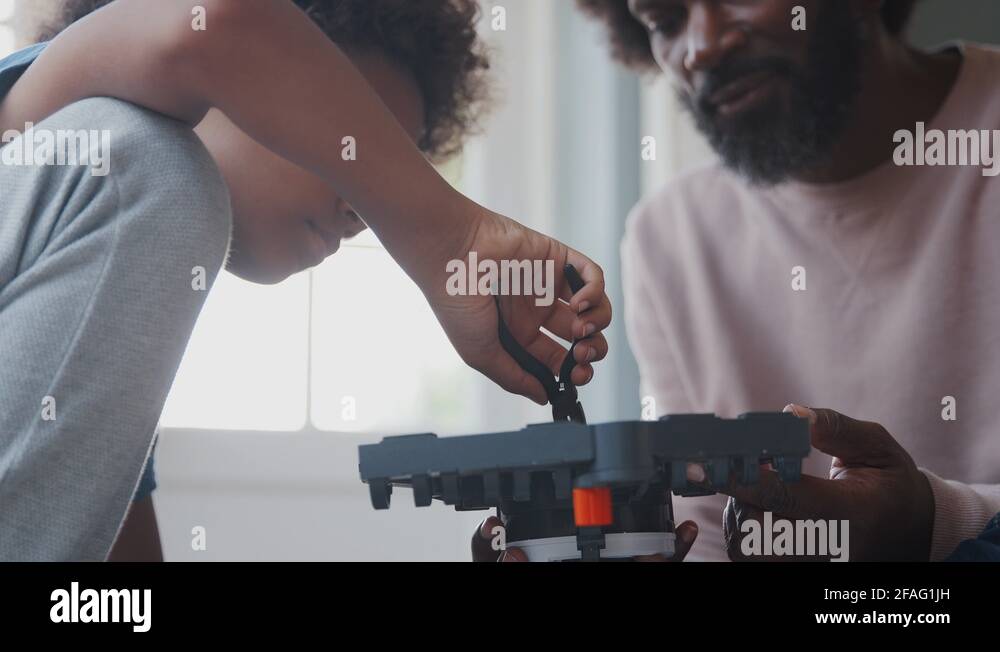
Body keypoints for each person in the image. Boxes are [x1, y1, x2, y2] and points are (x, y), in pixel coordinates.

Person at [0, 0, 612, 561]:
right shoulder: (42, 131)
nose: (364, 212)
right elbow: (217, 20)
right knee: (155, 168)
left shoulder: (102, 333)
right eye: (350, 143)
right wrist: (451, 236)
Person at [577, 0, 1000, 561]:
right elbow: (700, 532)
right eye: (664, 20)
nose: (702, 46)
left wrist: (933, 523)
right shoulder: (669, 236)